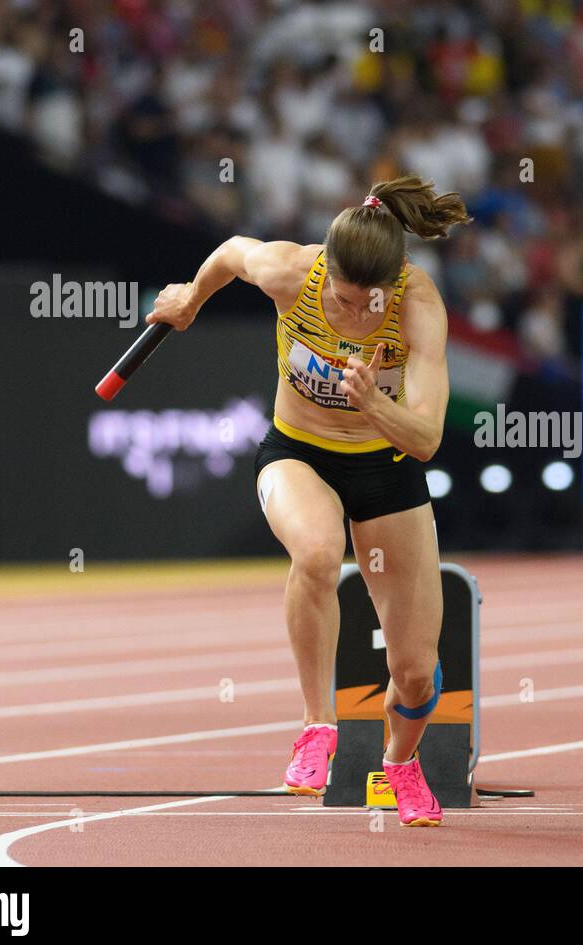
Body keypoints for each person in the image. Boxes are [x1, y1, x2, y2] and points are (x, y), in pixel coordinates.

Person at [146, 175, 471, 826]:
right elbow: (232, 251)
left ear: (394, 281)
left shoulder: (419, 307)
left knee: (414, 673)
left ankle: (401, 764)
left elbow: (429, 438)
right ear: (326, 270)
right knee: (319, 554)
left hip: (388, 463)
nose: (350, 315)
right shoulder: (293, 272)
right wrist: (190, 299)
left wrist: (376, 402)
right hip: (300, 452)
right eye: (342, 300)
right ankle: (316, 727)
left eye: (364, 304)